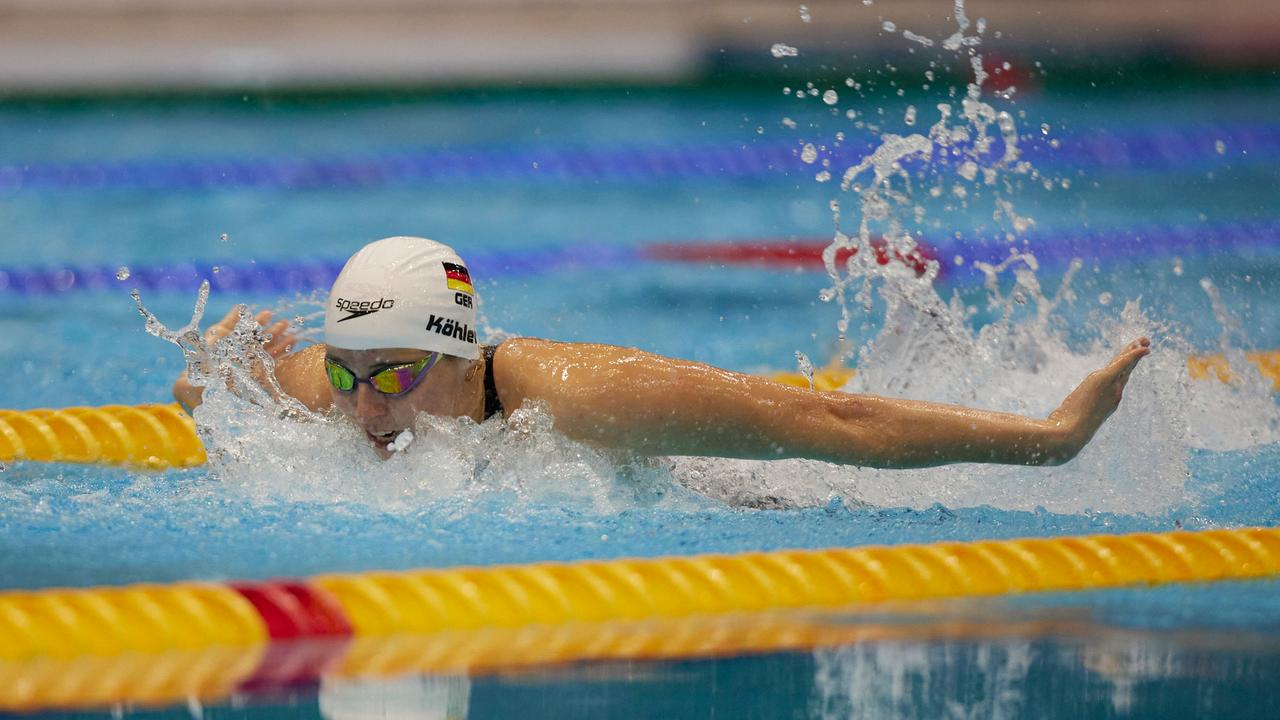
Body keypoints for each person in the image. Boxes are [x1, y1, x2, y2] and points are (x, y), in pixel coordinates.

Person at [173, 236, 1150, 466]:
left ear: (460, 357)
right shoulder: (334, 381)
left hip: (720, 479)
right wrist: (199, 389)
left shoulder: (579, 396)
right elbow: (228, 383)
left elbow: (825, 417)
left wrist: (1048, 438)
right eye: (348, 372)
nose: (363, 406)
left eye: (391, 374)